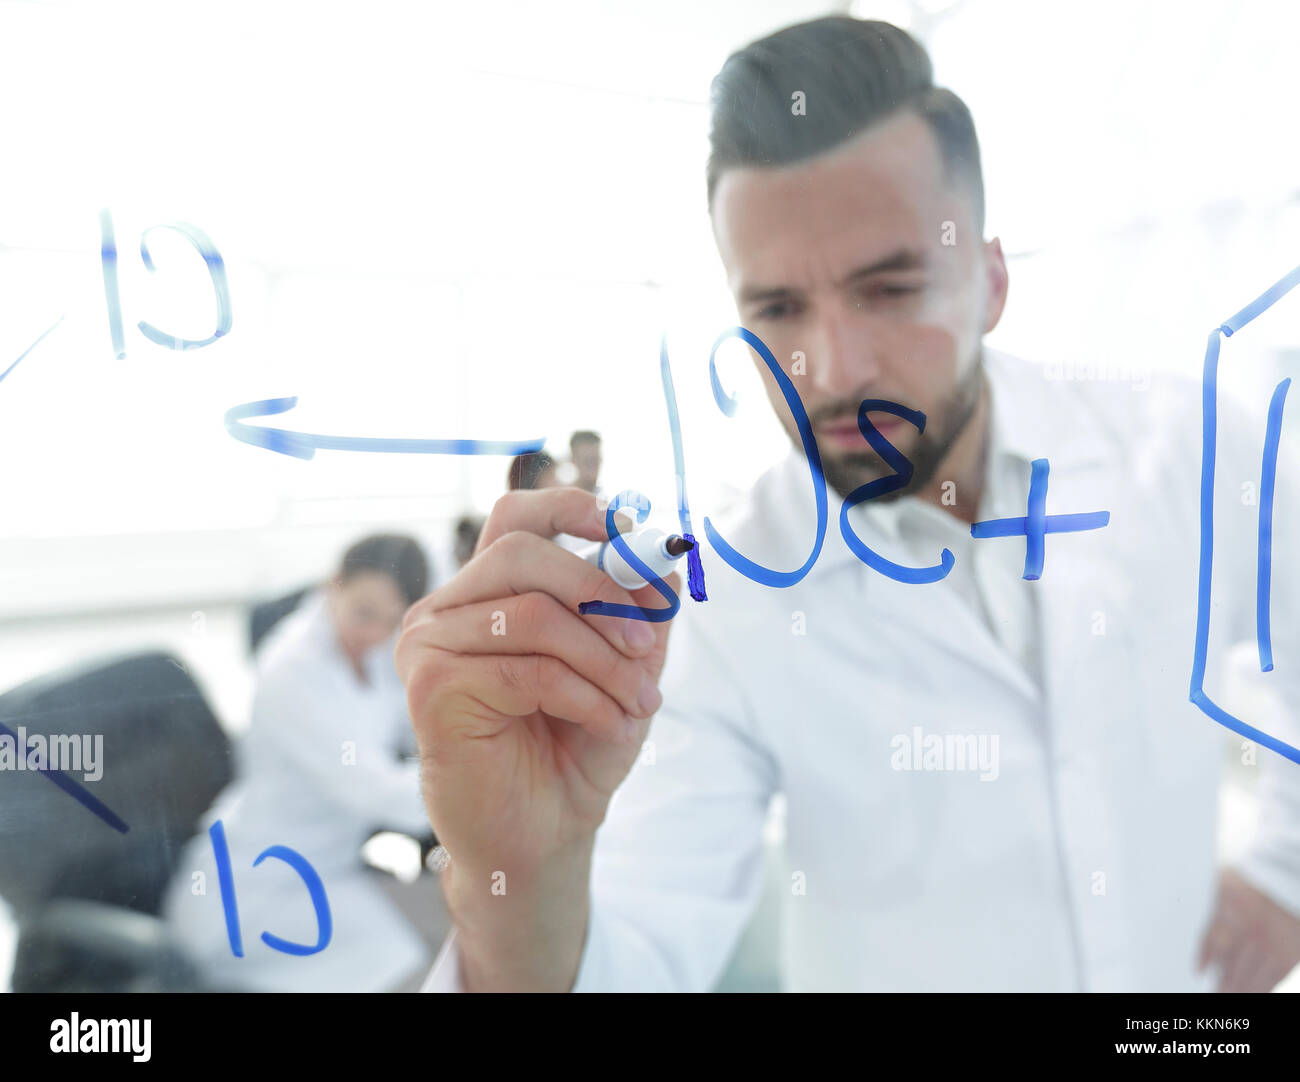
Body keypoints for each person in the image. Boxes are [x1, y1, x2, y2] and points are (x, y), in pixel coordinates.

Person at [397, 17, 1300, 992]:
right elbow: (638, 957)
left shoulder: (1184, 448)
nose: (829, 369)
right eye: (778, 309)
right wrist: (519, 881)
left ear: (989, 280)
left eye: (889, 287)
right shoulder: (721, 599)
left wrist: (1285, 876)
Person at [162, 534, 436, 992]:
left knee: (430, 945)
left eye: (391, 623)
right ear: (333, 584)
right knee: (407, 966)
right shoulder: (291, 672)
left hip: (325, 869)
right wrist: (474, 780)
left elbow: (413, 724)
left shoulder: (375, 649)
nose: (373, 634)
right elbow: (378, 792)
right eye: (364, 613)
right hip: (253, 892)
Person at [568, 431, 603, 496]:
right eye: (587, 461)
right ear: (573, 460)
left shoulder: (607, 500)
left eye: (595, 460)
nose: (592, 468)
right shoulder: (562, 500)